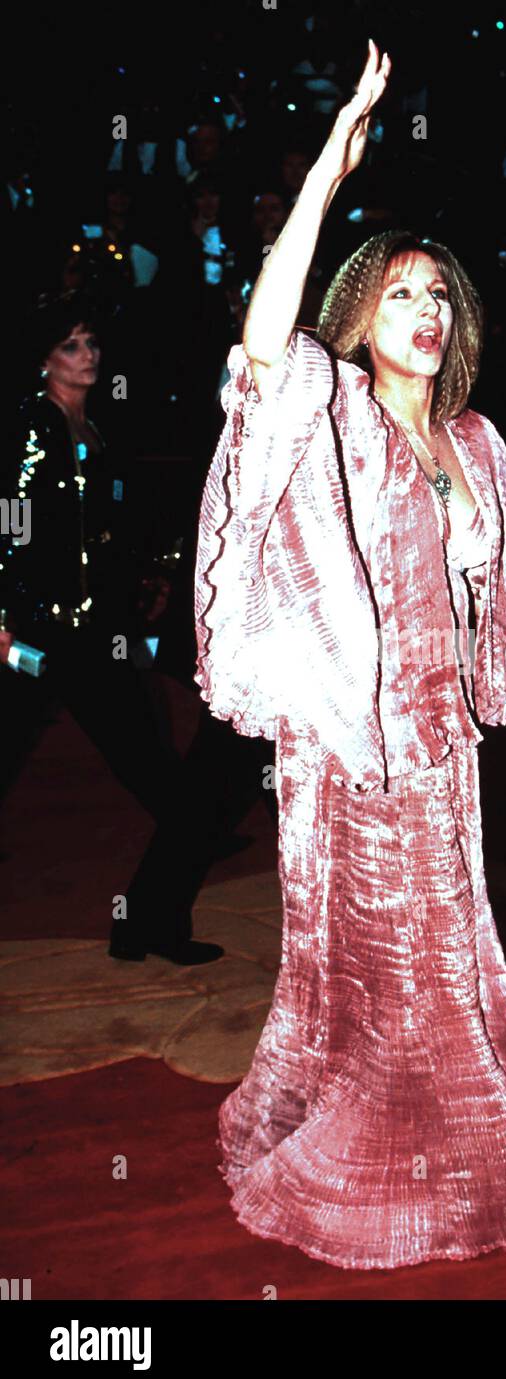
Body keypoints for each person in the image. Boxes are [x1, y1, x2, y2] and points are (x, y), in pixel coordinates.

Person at [195, 40, 506, 1270]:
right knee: (370, 969)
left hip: (440, 750)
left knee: (450, 958)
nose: (424, 316)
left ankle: (443, 1162)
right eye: (397, 296)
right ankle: (363, 1175)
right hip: (345, 747)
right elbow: (265, 343)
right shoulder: (328, 416)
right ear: (357, 318)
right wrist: (330, 163)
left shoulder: (478, 444)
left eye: (438, 297)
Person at [0, 291, 224, 966]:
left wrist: (145, 580)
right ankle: (149, 922)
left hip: (92, 637)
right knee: (172, 793)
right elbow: (11, 522)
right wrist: (5, 623)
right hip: (43, 637)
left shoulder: (94, 428)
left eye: (92, 343)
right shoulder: (35, 425)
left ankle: (146, 924)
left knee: (169, 787)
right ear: (44, 360)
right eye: (71, 346)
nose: (89, 355)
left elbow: (105, 534)